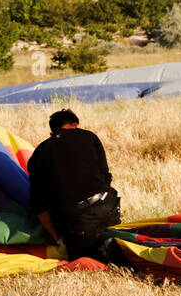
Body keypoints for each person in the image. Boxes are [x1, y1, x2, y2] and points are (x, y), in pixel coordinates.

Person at [27, 109, 121, 262]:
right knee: (115, 254)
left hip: (76, 222)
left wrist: (58, 239)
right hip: (108, 209)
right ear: (76, 125)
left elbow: (38, 204)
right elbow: (106, 177)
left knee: (86, 262)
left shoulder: (40, 152)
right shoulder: (90, 137)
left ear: (52, 131)